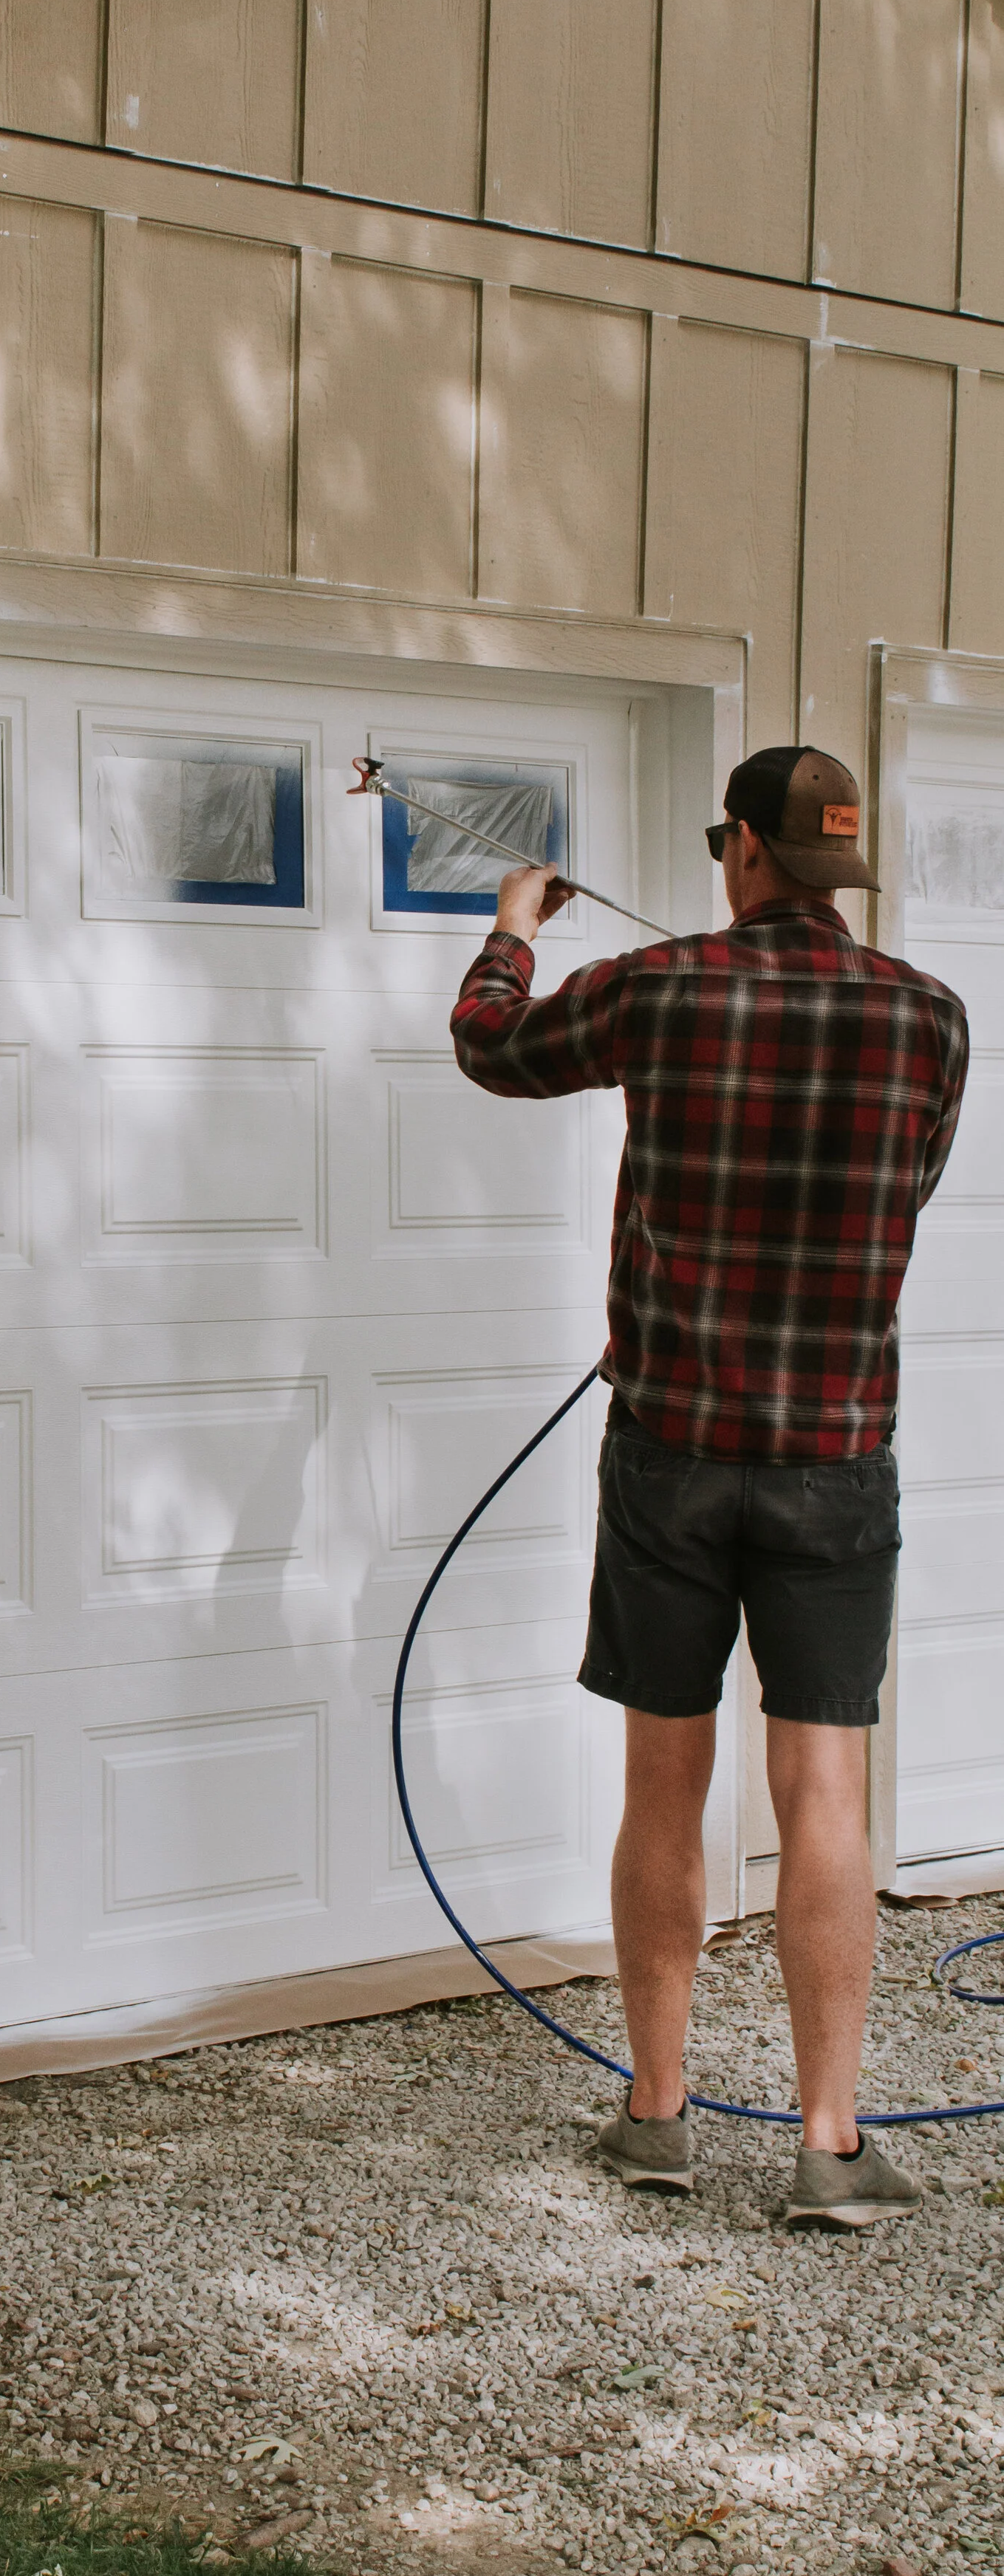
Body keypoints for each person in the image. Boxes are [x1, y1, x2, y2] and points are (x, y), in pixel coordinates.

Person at [449, 747, 968, 2225]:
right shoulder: (929, 1018)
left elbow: (490, 1047)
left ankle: (657, 2115)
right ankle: (824, 2145)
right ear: (834, 870)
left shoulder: (659, 989)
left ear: (739, 848)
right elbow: (908, 1188)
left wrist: (512, 925)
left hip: (668, 1455)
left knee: (662, 1777)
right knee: (818, 1789)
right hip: (830, 1458)